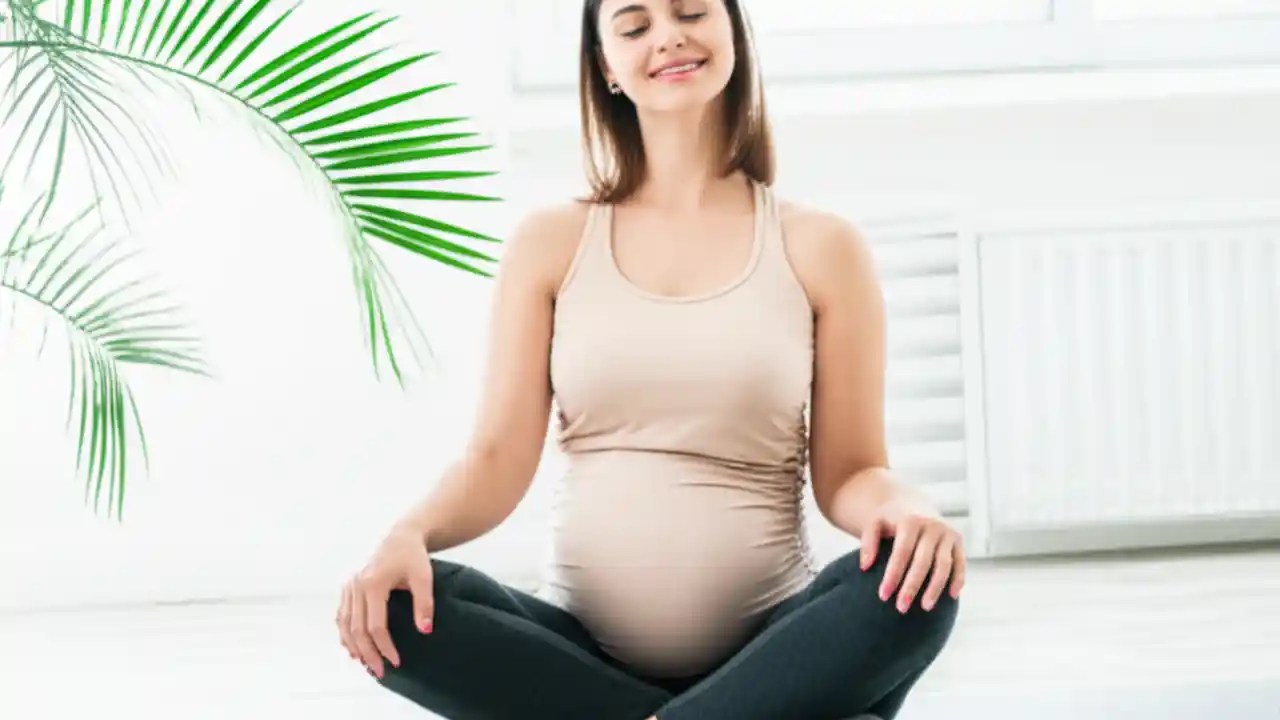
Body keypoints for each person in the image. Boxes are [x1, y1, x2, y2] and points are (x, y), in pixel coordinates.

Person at [335, 1, 965, 718]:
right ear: (606, 65)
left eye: (691, 10)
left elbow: (851, 472)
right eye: (635, 26)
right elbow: (495, 459)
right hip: (575, 656)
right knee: (395, 607)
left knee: (919, 587)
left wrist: (908, 510)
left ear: (732, 30)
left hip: (772, 646)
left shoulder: (822, 246)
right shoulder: (550, 244)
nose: (668, 36)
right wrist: (408, 533)